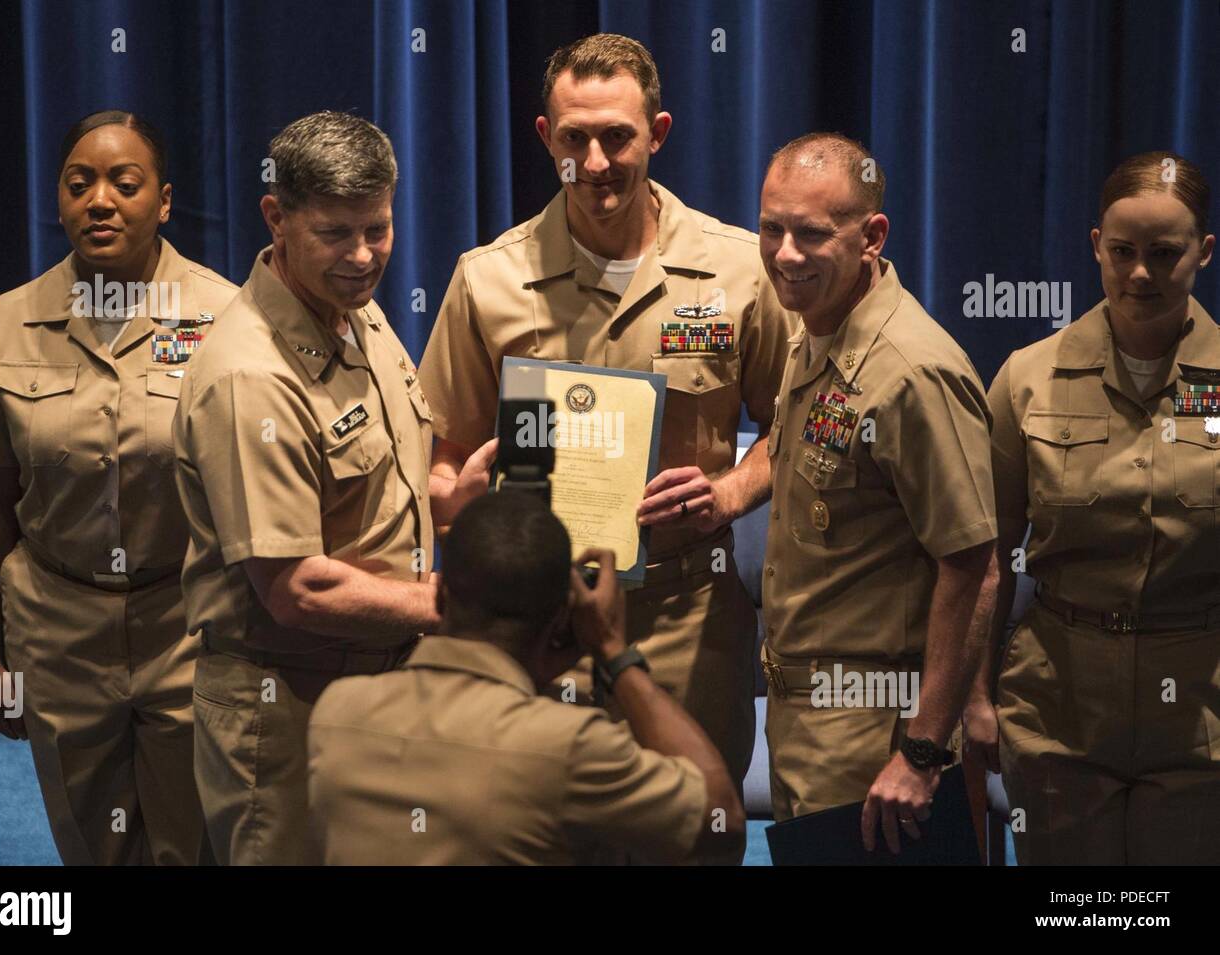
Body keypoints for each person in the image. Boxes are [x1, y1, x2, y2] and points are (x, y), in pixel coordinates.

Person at [419, 34, 795, 817]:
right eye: (573, 139)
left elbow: (793, 431)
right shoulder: (487, 278)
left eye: (617, 137)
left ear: (657, 133)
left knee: (695, 828)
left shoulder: (738, 270)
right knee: (542, 838)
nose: (594, 163)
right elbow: (441, 461)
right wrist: (463, 497)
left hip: (690, 617)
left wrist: (728, 495)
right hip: (534, 627)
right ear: (543, 137)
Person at [173, 111, 491, 865]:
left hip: (382, 686)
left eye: (377, 228)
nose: (363, 255)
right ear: (276, 218)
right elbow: (296, 588)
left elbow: (369, 495)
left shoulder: (354, 310)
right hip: (288, 712)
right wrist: (465, 602)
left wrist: (451, 501)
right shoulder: (251, 375)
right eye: (336, 233)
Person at [0, 110, 238, 864]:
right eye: (80, 184)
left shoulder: (226, 315)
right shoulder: (11, 322)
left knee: (193, 841)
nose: (100, 200)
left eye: (124, 182)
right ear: (61, 200)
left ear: (164, 201)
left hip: (186, 624)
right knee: (91, 845)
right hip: (60, 626)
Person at [972, 151, 1220, 864]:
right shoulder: (1028, 377)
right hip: (1059, 707)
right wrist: (973, 698)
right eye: (1122, 251)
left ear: (1203, 252)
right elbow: (985, 555)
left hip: (1199, 714)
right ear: (1095, 247)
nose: (1140, 272)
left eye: (1164, 253)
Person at [756, 133, 997, 854]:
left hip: (880, 742)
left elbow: (973, 564)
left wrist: (923, 749)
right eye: (771, 228)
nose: (785, 254)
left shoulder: (912, 370)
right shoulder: (817, 332)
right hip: (813, 730)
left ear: (872, 236)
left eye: (811, 234)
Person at [308, 491, 745, 865]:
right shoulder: (567, 747)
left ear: (440, 595)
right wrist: (613, 651)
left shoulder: (338, 710)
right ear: (562, 619)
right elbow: (719, 816)